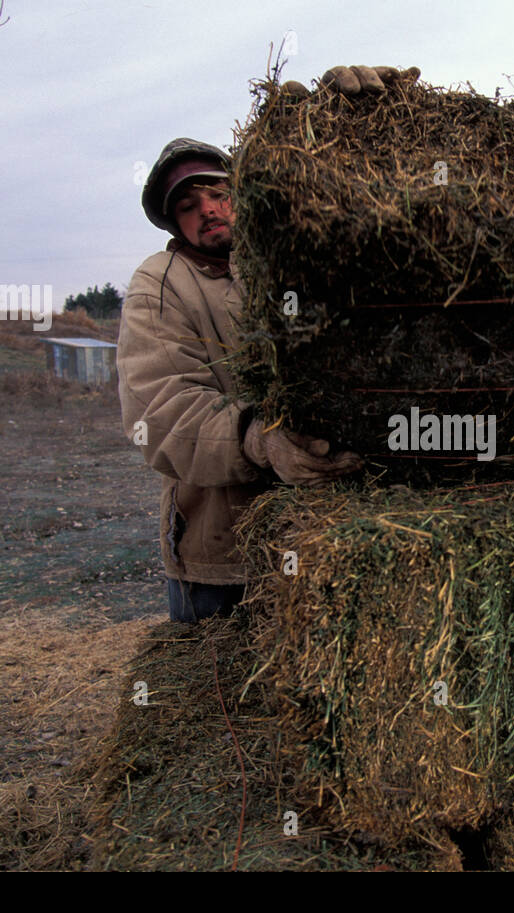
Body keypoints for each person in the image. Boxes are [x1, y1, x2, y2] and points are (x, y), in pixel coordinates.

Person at [118, 65, 415, 623]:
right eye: (188, 205)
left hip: (327, 534)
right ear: (173, 221)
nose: (207, 209)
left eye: (218, 193)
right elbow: (156, 414)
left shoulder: (284, 260)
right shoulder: (160, 282)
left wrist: (335, 128)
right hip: (224, 560)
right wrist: (258, 440)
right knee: (225, 700)